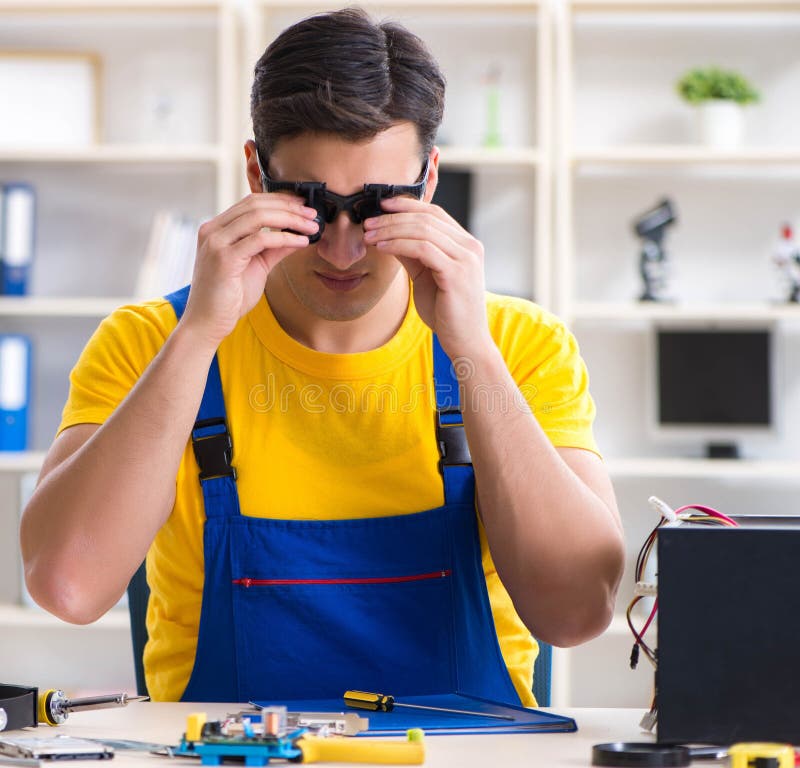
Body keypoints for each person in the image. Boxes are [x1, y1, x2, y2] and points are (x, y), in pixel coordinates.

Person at [20, 7, 625, 705]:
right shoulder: (150, 341)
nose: (343, 249)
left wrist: (471, 352)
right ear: (256, 172)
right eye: (308, 205)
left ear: (428, 181)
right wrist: (199, 337)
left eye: (376, 207)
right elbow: (67, 586)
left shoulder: (522, 346)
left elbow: (578, 612)